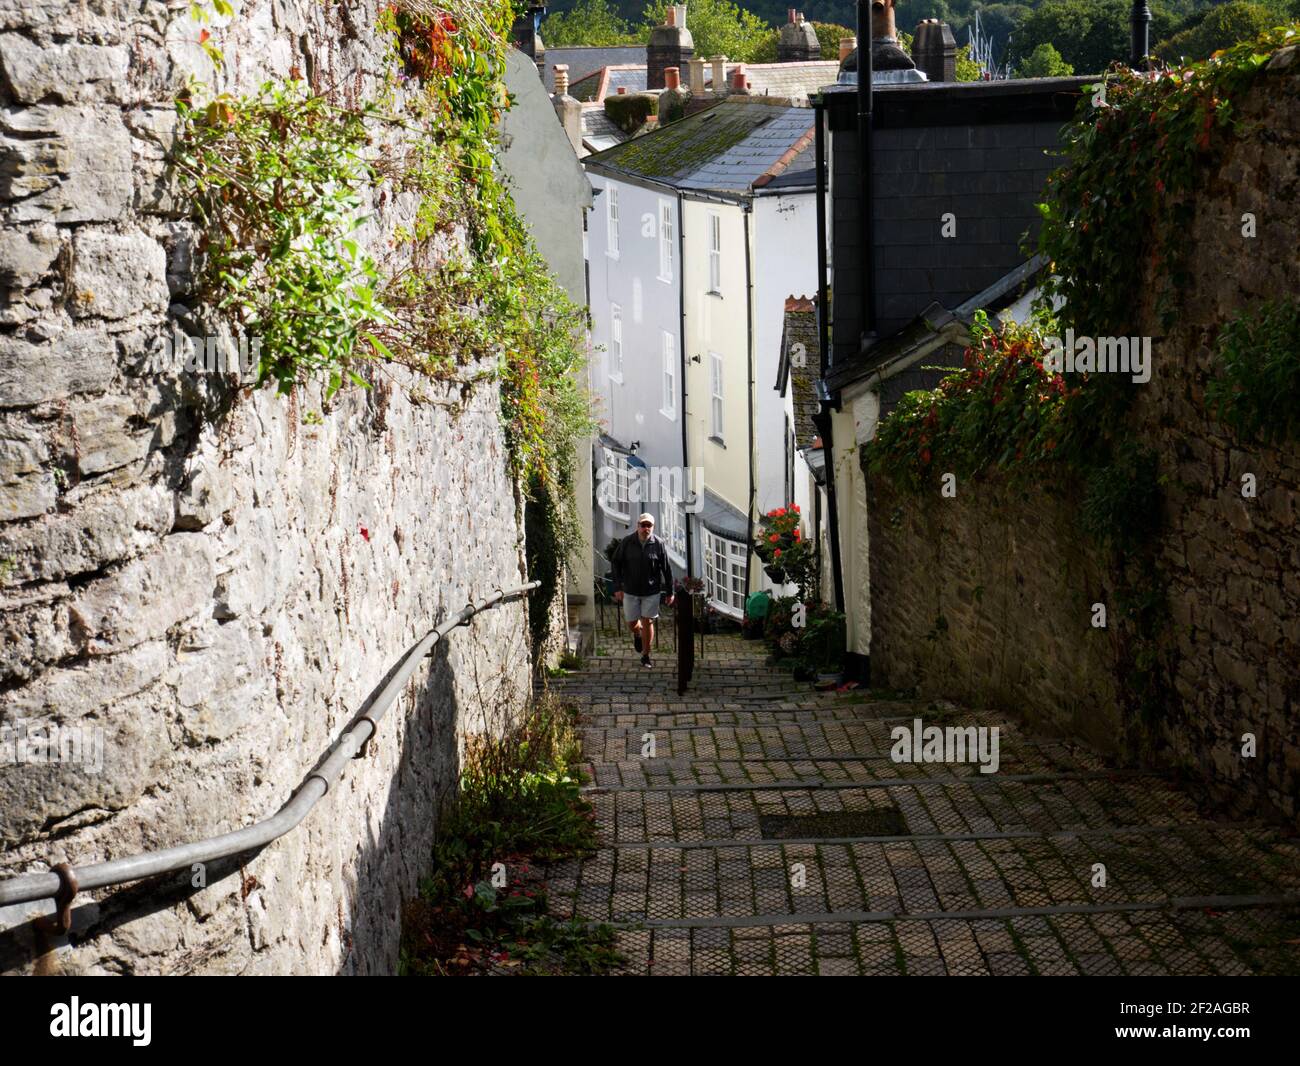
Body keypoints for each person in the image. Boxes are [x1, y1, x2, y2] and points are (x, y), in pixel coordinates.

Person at [610, 513, 674, 668]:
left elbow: (666, 569)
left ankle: (646, 655)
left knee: (648, 621)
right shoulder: (627, 542)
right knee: (632, 623)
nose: (646, 528)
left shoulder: (658, 544)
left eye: (649, 525)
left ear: (653, 527)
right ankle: (638, 633)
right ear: (637, 526)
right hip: (630, 590)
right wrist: (617, 587)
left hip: (651, 591)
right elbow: (616, 563)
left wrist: (670, 592)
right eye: (643, 525)